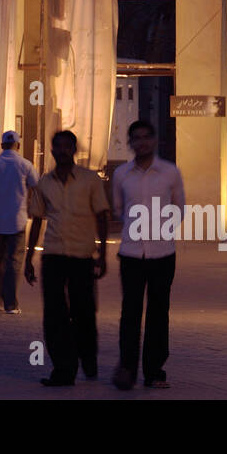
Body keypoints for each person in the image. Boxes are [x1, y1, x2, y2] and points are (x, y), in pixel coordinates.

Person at [24, 130, 109, 387]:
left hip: (82, 255)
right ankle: (63, 368)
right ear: (52, 151)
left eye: (67, 147)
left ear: (74, 150)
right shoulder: (44, 183)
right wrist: (29, 258)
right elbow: (37, 219)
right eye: (57, 147)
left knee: (83, 311)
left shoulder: (90, 180)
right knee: (54, 314)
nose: (62, 151)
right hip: (53, 255)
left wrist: (102, 253)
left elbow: (102, 215)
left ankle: (88, 358)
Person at [109, 119, 186, 391]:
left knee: (158, 312)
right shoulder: (121, 175)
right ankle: (127, 367)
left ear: (154, 141)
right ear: (130, 143)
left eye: (146, 137)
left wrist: (161, 231)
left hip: (163, 254)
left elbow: (179, 207)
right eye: (136, 138)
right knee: (129, 313)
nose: (141, 142)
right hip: (130, 253)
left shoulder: (169, 172)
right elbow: (118, 209)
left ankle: (154, 370)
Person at [0, 130, 38, 314]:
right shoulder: (26, 165)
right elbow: (36, 187)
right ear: (18, 145)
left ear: (2, 145)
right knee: (14, 262)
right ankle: (11, 304)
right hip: (17, 221)